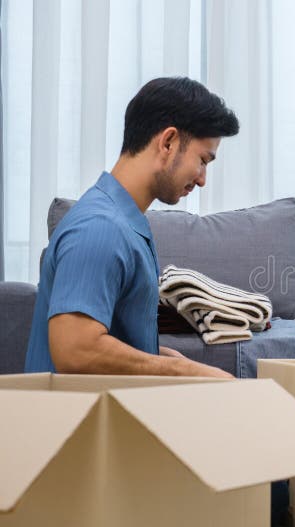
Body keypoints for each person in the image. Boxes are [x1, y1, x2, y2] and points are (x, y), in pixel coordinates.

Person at [25, 77, 239, 377]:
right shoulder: (100, 228)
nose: (203, 178)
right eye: (203, 160)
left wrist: (158, 355)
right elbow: (75, 350)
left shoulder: (123, 222)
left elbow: (108, 336)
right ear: (168, 142)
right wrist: (180, 370)